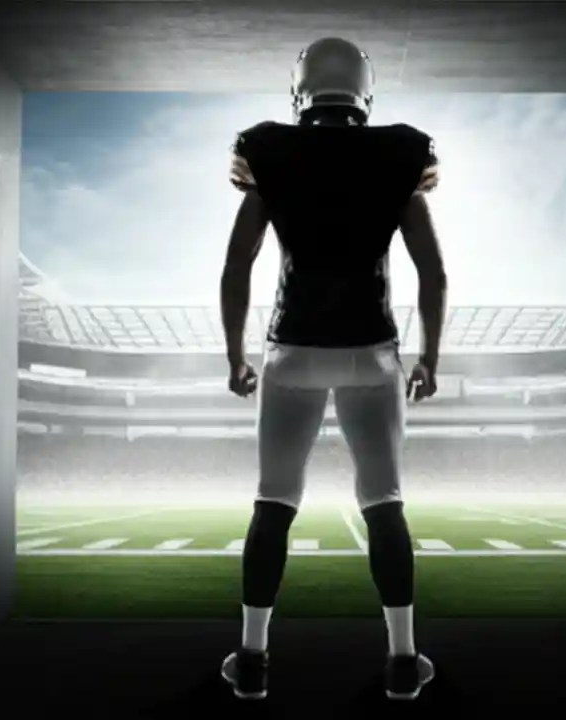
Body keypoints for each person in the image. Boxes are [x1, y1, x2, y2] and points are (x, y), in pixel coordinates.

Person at [216, 37, 447, 702]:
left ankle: (253, 660)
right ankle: (403, 662)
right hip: (371, 351)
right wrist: (430, 356)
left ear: (301, 88)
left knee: (273, 503)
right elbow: (432, 270)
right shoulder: (402, 151)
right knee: (384, 505)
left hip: (291, 351)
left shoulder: (268, 149)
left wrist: (235, 354)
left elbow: (239, 265)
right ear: (364, 90)